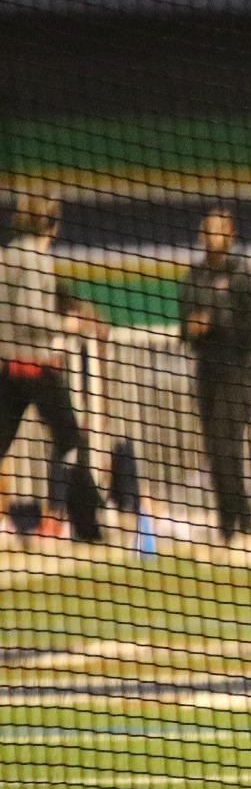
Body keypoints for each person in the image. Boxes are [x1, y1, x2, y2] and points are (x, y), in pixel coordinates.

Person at [0, 194, 105, 546]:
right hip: (37, 366)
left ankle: (77, 523)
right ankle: (54, 521)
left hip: (8, 367)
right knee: (71, 442)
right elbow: (32, 316)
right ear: (52, 223)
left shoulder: (9, 254)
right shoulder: (36, 258)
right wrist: (70, 324)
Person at [178, 206, 251, 551]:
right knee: (215, 450)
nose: (211, 238)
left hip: (242, 370)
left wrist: (214, 324)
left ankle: (237, 527)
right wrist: (191, 329)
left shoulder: (243, 274)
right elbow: (184, 321)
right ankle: (234, 525)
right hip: (208, 369)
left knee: (227, 444)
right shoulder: (194, 276)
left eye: (218, 231)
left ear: (230, 235)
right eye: (206, 232)